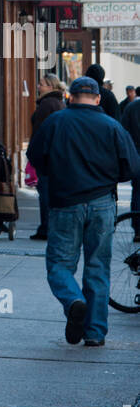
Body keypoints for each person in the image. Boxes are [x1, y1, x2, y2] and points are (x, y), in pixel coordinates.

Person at [27, 75, 140, 347]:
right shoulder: (111, 126)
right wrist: (109, 177)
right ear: (98, 99)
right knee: (98, 267)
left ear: (70, 97)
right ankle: (95, 332)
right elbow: (132, 166)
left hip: (66, 202)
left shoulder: (55, 122)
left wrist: (54, 176)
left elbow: (35, 156)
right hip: (102, 202)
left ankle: (73, 300)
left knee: (59, 265)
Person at [28, 71, 65, 241]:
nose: (38, 86)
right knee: (54, 194)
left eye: (41, 83)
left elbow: (39, 134)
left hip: (46, 158)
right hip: (58, 157)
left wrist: (33, 155)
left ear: (50, 86)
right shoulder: (59, 103)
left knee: (45, 194)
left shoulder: (46, 105)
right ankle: (53, 227)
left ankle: (45, 228)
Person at [121, 89, 140, 241]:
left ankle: (138, 229)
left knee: (137, 193)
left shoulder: (131, 108)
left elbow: (124, 134)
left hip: (136, 156)